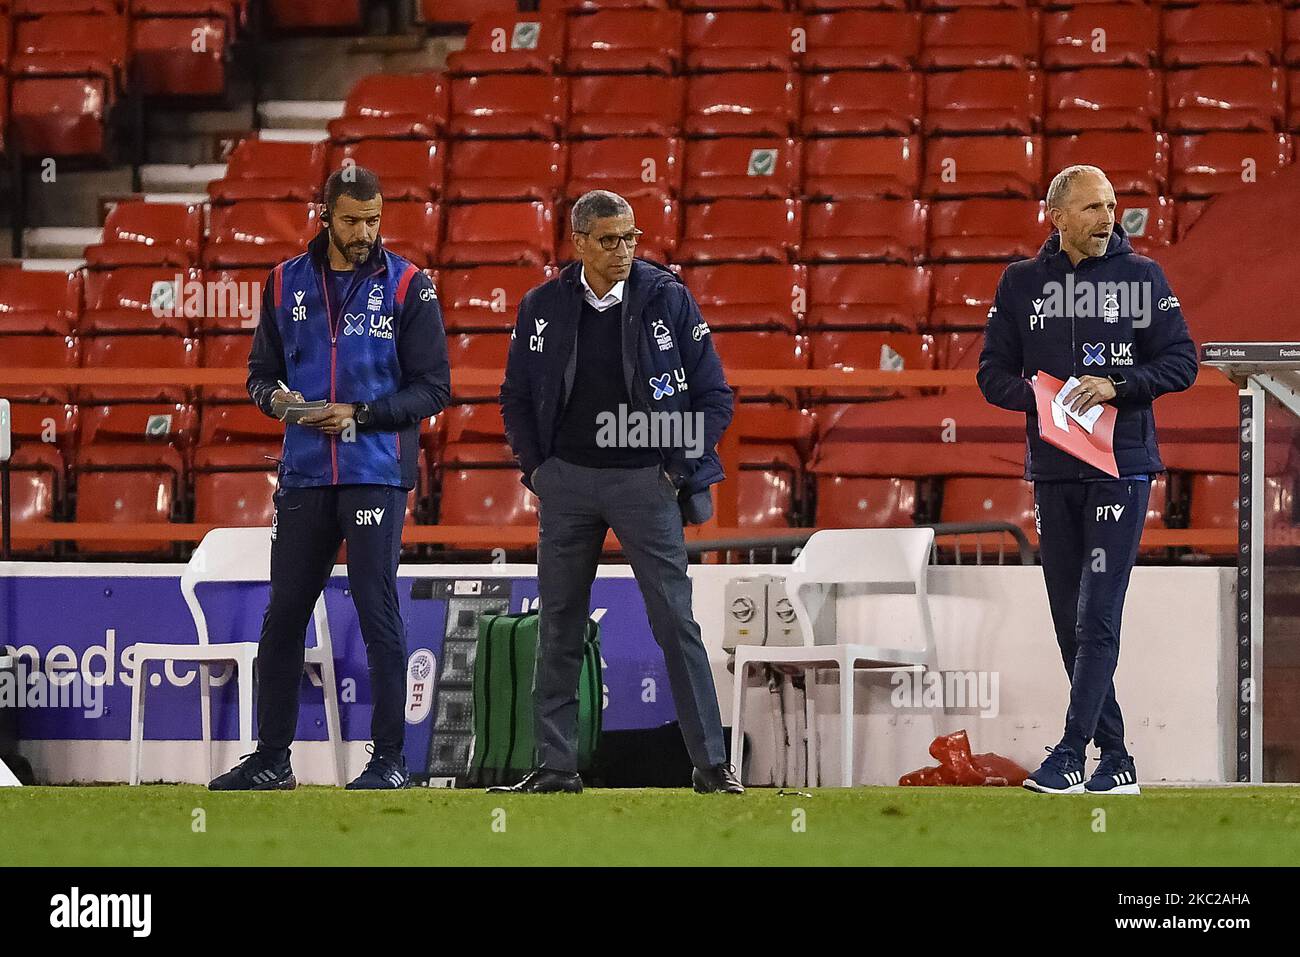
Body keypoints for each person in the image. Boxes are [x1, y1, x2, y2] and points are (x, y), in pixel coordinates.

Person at [209, 166, 450, 791]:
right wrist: (281, 405)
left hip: (375, 475)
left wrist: (361, 414)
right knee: (284, 615)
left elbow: (435, 389)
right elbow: (259, 375)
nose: (365, 232)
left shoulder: (407, 286)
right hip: (305, 475)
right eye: (352, 220)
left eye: (373, 220)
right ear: (325, 216)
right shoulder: (283, 283)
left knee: (377, 611)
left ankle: (391, 761)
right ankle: (271, 760)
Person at [496, 189, 743, 794]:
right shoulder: (542, 307)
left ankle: (712, 766)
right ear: (577, 242)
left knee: (674, 622)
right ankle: (555, 768)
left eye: (630, 238)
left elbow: (716, 396)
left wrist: (676, 471)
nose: (624, 251)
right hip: (568, 483)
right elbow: (516, 398)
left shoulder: (669, 299)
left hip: (645, 481)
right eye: (609, 240)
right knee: (557, 622)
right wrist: (539, 471)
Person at [978, 165, 1197, 796]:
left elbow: (1182, 359)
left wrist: (1118, 386)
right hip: (1053, 470)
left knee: (1098, 613)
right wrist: (1041, 400)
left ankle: (1072, 753)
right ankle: (1119, 757)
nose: (1109, 218)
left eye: (1112, 206)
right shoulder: (1022, 284)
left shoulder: (1142, 277)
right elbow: (991, 372)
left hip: (1121, 470)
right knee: (1067, 618)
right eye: (1094, 208)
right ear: (1058, 216)